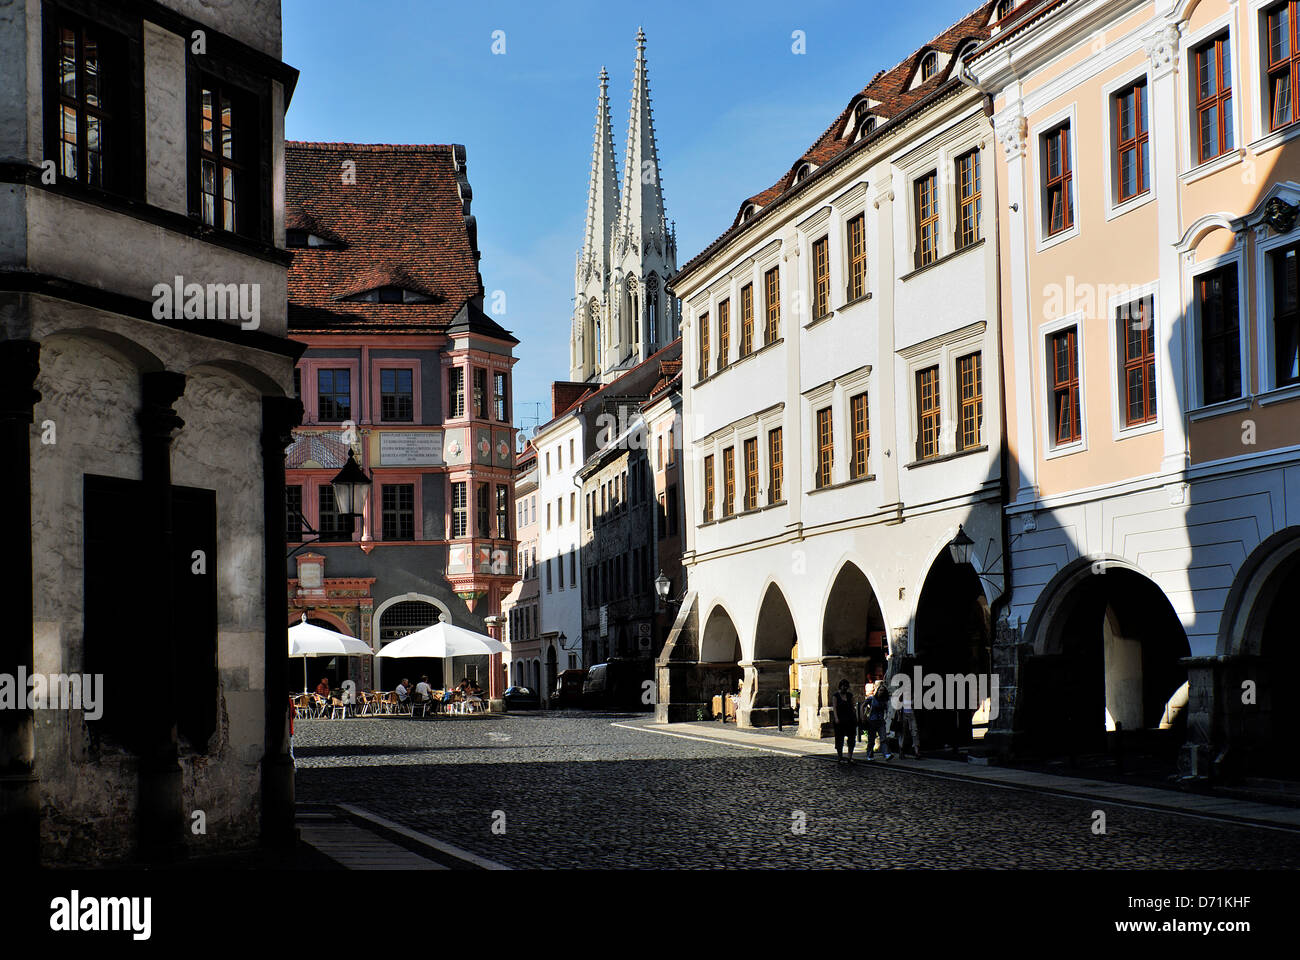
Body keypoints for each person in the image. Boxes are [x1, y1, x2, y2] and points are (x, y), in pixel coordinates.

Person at [864, 681, 893, 760]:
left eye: (883, 691)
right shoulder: (872, 698)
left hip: (880, 721)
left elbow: (887, 711)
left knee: (883, 738)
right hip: (872, 721)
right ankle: (869, 754)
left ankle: (886, 754)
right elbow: (863, 705)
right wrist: (863, 716)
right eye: (880, 690)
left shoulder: (884, 701)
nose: (881, 692)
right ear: (877, 691)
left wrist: (887, 718)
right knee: (871, 739)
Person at [831, 679, 857, 764]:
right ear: (840, 686)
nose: (845, 688)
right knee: (839, 738)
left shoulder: (850, 695)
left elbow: (853, 707)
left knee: (851, 738)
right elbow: (834, 708)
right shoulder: (836, 696)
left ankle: (850, 756)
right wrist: (836, 718)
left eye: (846, 686)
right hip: (840, 720)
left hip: (850, 719)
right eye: (843, 686)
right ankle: (840, 756)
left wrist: (855, 717)